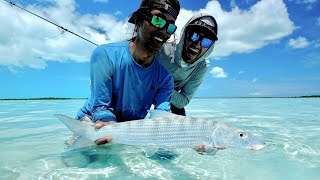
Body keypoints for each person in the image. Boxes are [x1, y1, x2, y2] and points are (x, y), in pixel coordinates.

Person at [75, 0, 181, 144]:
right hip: (93, 123)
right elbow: (101, 106)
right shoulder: (104, 54)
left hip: (126, 131)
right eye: (158, 20)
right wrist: (107, 124)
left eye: (170, 27)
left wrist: (192, 139)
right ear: (138, 20)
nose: (163, 31)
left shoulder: (165, 78)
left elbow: (162, 118)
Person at [159, 13, 218, 116]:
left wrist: (162, 87)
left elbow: (183, 100)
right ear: (185, 34)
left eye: (206, 41)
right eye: (194, 35)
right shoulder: (162, 48)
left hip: (170, 97)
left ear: (210, 47)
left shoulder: (202, 66)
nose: (197, 44)